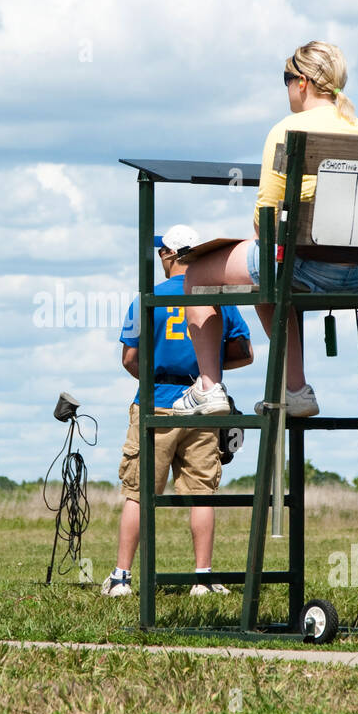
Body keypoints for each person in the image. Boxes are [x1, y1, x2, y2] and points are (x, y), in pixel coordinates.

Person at [174, 41, 358, 418]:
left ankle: (208, 389)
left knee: (197, 273)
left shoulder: (288, 130)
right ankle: (295, 390)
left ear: (302, 82)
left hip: (306, 265)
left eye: (286, 80)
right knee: (264, 279)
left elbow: (263, 216)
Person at [101, 224, 254, 598]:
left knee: (139, 494)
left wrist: (155, 379)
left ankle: (122, 577)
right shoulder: (217, 297)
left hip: (155, 403)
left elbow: (129, 358)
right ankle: (203, 577)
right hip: (202, 404)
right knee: (203, 493)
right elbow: (245, 353)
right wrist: (207, 370)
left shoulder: (146, 298)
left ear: (168, 255)